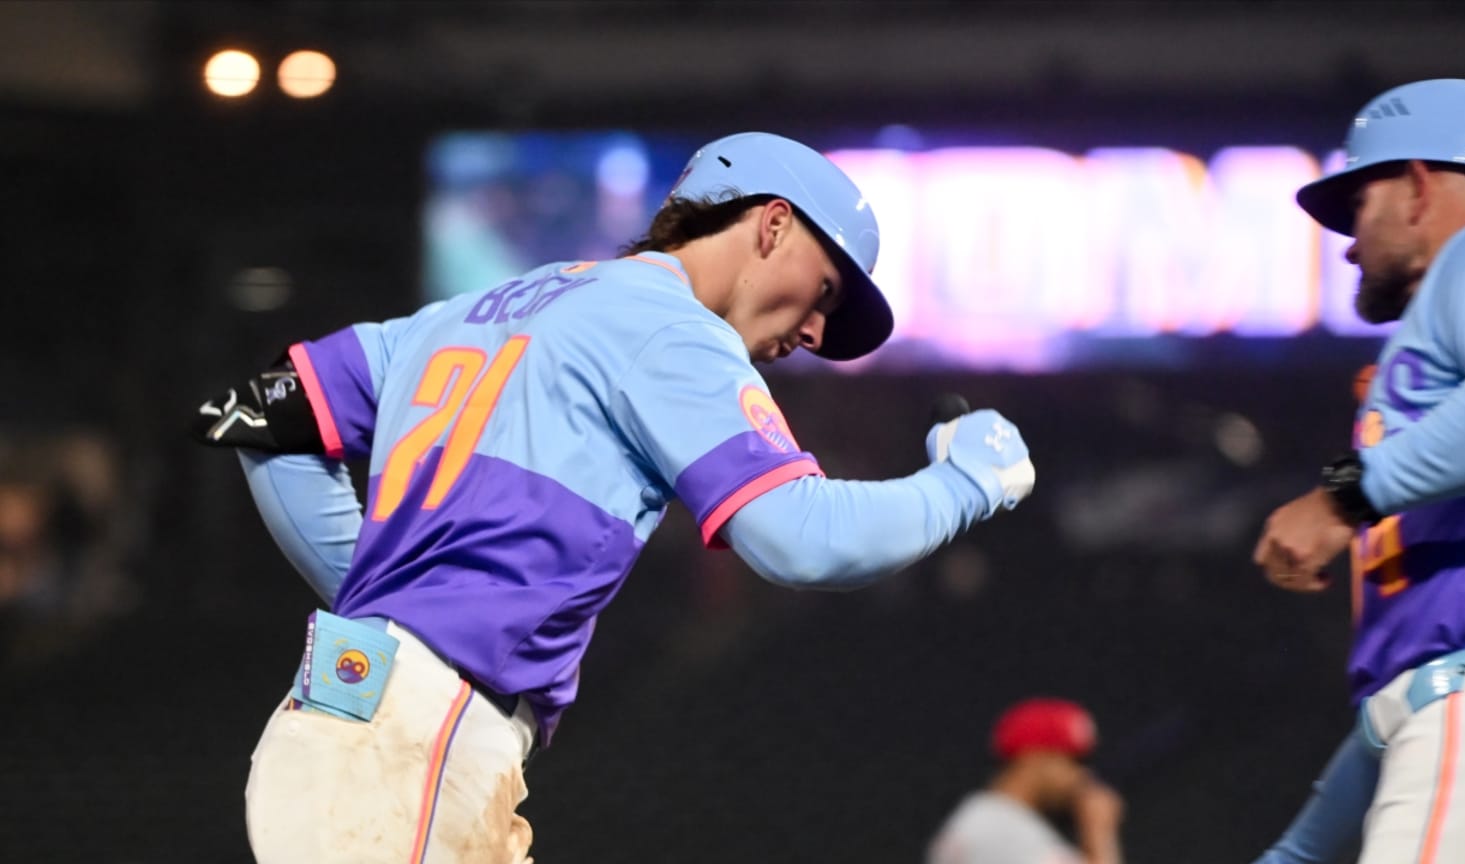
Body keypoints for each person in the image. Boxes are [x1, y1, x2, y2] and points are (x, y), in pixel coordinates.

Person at [192, 131, 1038, 864]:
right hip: (417, 742)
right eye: (827, 290)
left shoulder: (483, 306)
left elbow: (262, 410)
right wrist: (964, 485)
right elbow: (802, 539)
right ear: (772, 223)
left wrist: (378, 604)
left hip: (376, 720)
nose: (818, 332)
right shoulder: (670, 328)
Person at [1251, 78, 1465, 864]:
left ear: (1416, 187)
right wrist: (1302, 849)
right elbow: (1415, 685)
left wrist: (1346, 496)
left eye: (1359, 206)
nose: (1348, 241)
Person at [927, 698, 1123, 864]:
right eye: (1074, 761)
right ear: (1035, 757)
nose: (1081, 775)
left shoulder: (986, 818)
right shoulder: (1000, 831)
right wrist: (1100, 836)